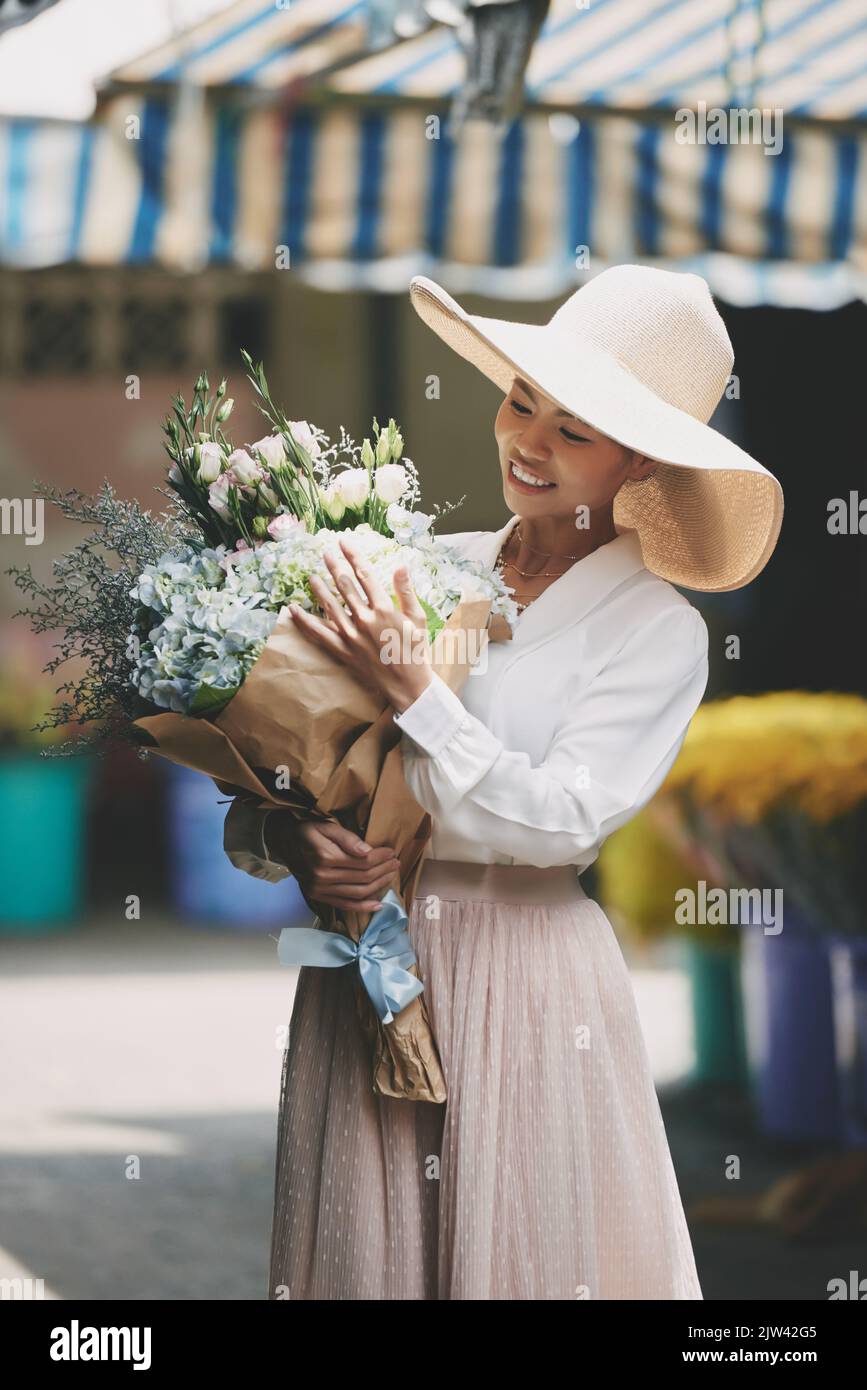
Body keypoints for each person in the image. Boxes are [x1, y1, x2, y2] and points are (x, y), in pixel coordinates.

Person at [225, 263, 784, 1300]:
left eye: (574, 430)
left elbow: (565, 817)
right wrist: (300, 847)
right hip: (366, 965)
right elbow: (294, 770)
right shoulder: (422, 566)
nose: (529, 442)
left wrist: (415, 696)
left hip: (525, 981)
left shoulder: (654, 630)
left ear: (640, 462)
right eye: (521, 402)